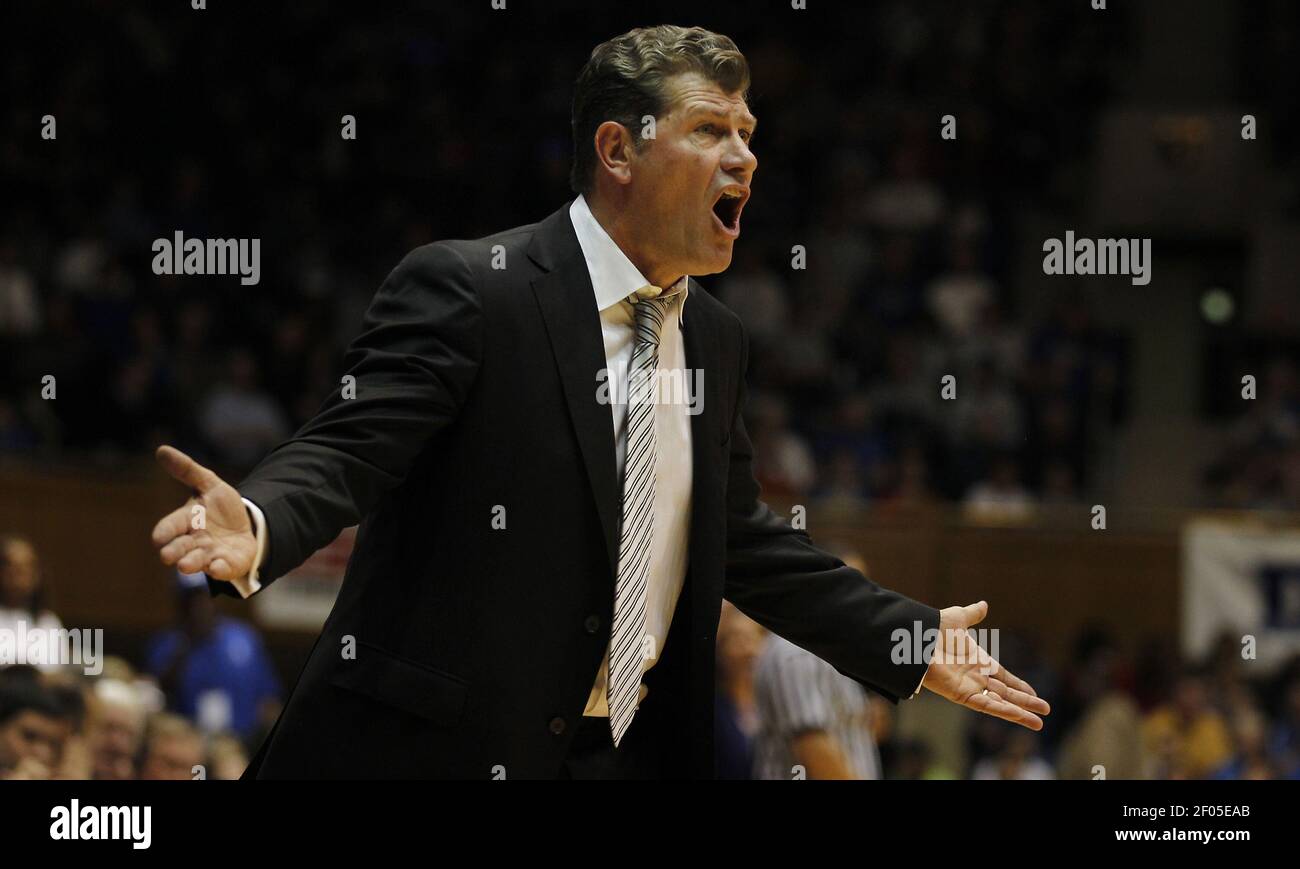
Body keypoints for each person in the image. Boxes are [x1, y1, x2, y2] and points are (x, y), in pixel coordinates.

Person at [149, 24, 1048, 779]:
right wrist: (261, 518)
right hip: (420, 753)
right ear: (618, 149)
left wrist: (906, 637)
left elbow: (740, 539)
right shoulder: (476, 289)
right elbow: (350, 449)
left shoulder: (717, 339)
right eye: (710, 130)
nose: (745, 155)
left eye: (749, 131)